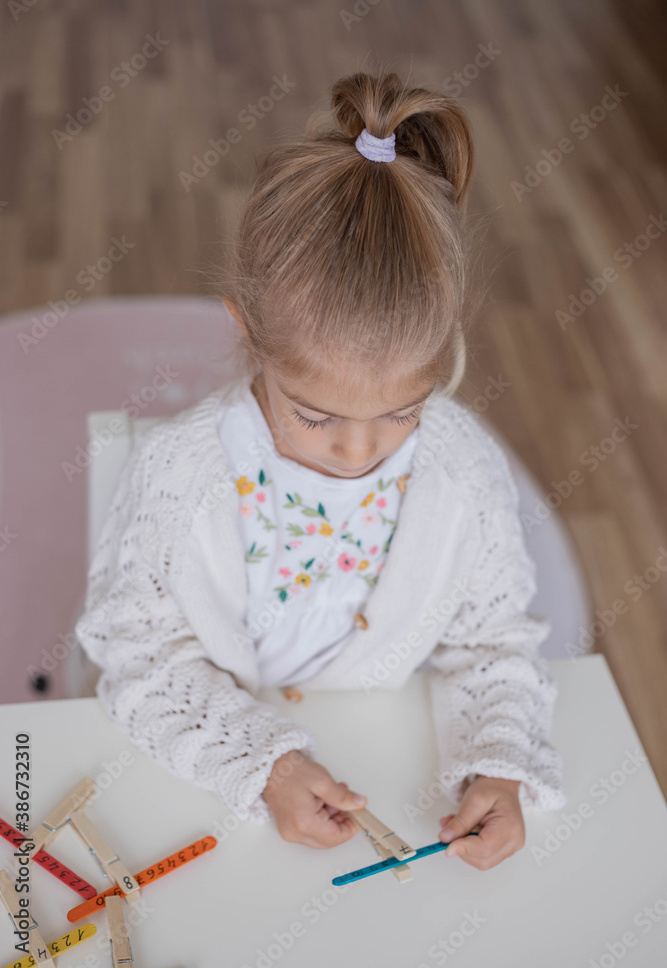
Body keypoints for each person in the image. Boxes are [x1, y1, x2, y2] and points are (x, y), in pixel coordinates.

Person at [75, 70, 566, 872]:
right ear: (244, 332)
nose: (358, 453)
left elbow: (492, 641)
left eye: (402, 412)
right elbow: (137, 655)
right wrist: (262, 761)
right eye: (315, 415)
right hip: (211, 796)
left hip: (391, 766)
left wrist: (499, 764)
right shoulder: (180, 473)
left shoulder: (462, 469)